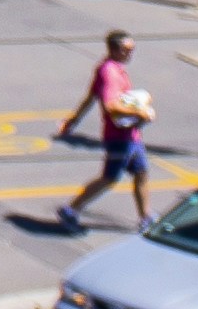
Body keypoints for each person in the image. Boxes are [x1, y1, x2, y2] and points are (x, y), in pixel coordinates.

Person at [52, 29, 156, 233]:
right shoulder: (110, 73)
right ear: (115, 49)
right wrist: (142, 112)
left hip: (131, 135)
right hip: (119, 137)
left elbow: (90, 98)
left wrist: (72, 121)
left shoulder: (109, 69)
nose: (131, 53)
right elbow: (110, 105)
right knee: (109, 177)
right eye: (127, 50)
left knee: (141, 172)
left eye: (132, 49)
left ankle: (146, 218)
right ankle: (70, 209)